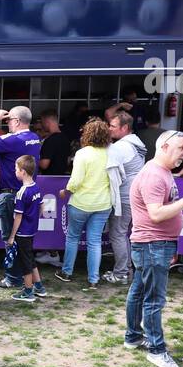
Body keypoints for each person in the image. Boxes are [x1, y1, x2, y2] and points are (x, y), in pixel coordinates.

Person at [124, 132, 183, 367]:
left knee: (140, 291)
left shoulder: (162, 172)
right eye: (181, 148)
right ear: (164, 146)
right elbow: (157, 214)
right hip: (153, 244)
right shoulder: (153, 175)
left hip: (154, 244)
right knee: (154, 299)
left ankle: (133, 337)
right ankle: (156, 350)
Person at [0, 106, 42, 290]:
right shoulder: (34, 138)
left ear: (16, 121)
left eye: (8, 120)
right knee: (23, 238)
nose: (6, 123)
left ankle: (13, 277)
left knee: (10, 237)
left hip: (12, 195)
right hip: (28, 193)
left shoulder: (15, 140)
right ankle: (30, 280)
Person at [57, 119, 113, 288]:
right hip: (103, 204)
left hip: (81, 203)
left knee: (72, 238)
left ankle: (67, 272)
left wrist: (65, 191)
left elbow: (75, 181)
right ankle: (93, 280)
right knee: (94, 242)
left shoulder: (83, 153)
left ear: (87, 134)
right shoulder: (110, 153)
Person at [103, 110, 147, 285]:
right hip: (133, 195)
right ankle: (126, 269)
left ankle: (121, 272)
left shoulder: (121, 147)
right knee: (122, 234)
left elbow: (110, 172)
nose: (109, 129)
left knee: (118, 234)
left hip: (124, 197)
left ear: (125, 128)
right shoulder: (136, 143)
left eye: (113, 126)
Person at [6, 156, 48, 303]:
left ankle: (28, 291)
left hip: (23, 232)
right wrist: (34, 219)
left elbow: (18, 217)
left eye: (16, 169)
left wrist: (12, 236)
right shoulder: (36, 186)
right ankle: (39, 287)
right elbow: (42, 206)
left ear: (23, 171)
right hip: (31, 230)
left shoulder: (22, 192)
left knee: (25, 262)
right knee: (29, 258)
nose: (14, 171)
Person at [37, 110, 71, 176]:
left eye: (42, 122)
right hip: (62, 178)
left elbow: (44, 165)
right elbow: (68, 161)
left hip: (49, 179)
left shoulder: (50, 140)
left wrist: (32, 159)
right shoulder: (65, 138)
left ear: (47, 122)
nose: (42, 125)